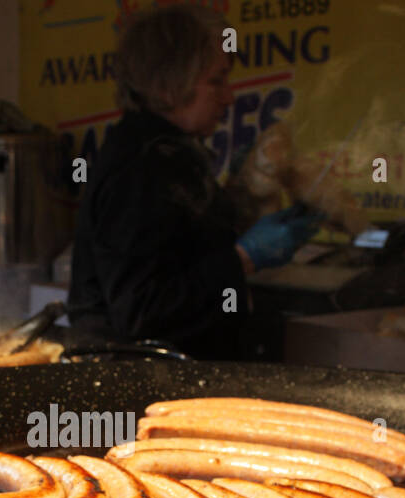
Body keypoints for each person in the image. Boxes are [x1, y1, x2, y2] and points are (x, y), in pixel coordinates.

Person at [68, 6, 322, 356]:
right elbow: (141, 310)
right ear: (171, 83)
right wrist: (244, 257)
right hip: (134, 383)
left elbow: (182, 249)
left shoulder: (168, 152)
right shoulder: (140, 166)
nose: (230, 97)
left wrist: (241, 201)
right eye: (216, 81)